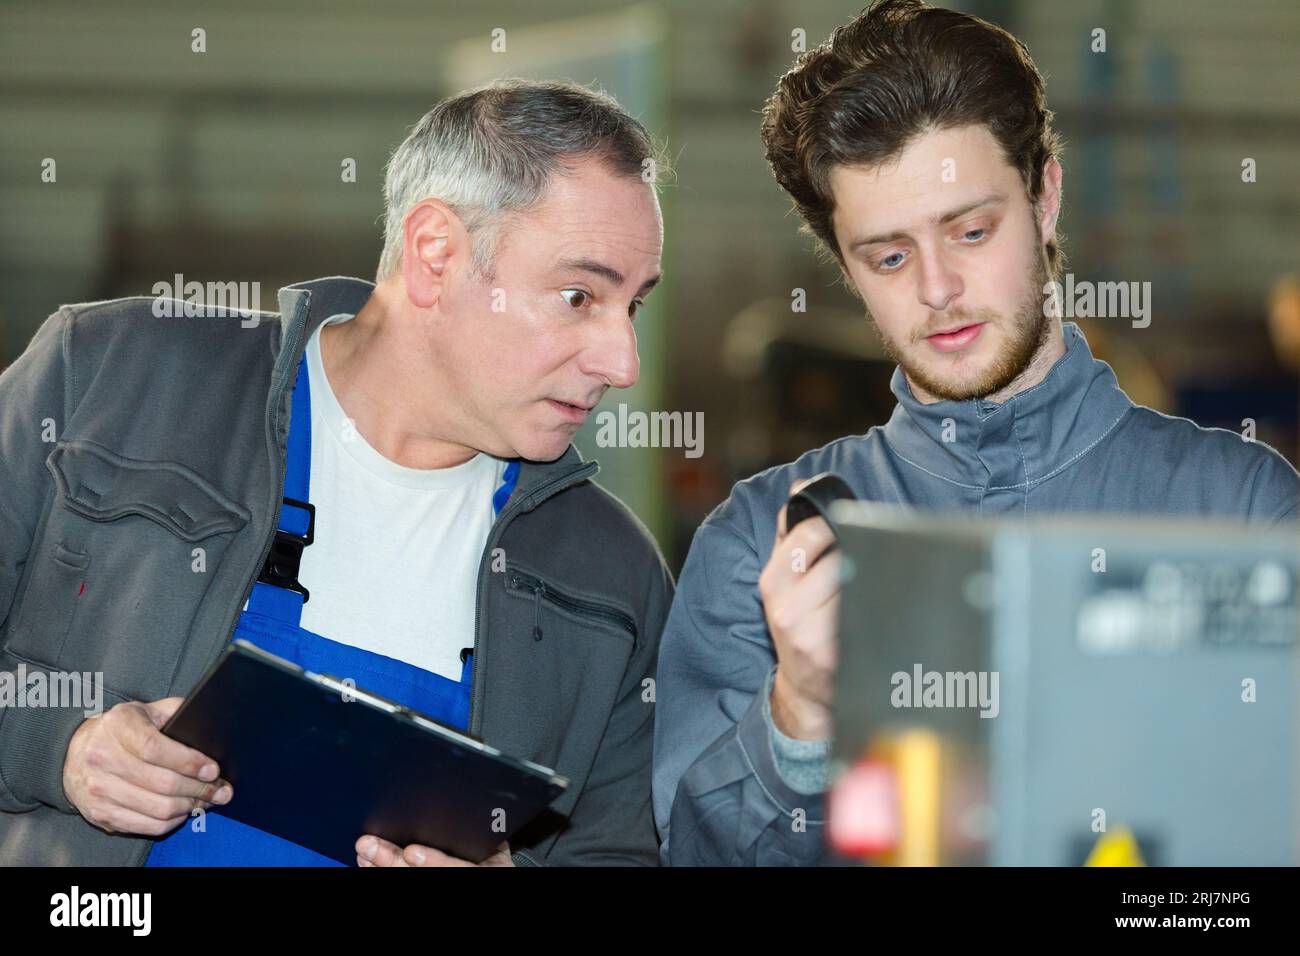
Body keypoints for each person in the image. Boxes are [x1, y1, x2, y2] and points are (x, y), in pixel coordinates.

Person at [652, 0, 1300, 866]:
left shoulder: (1240, 512)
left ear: (1046, 198)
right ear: (845, 267)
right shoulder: (761, 550)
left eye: (971, 230)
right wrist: (799, 712)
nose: (938, 288)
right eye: (888, 256)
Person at [0, 79, 671, 866]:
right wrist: (61, 746)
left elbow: (619, 852)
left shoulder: (612, 577)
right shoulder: (110, 377)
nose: (622, 362)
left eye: (634, 308)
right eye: (578, 295)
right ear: (436, 253)